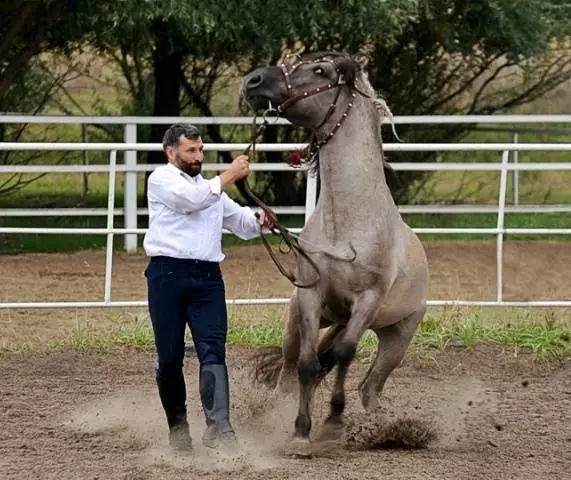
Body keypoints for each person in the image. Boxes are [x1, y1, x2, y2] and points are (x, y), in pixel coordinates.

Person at [142, 123, 273, 452]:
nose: (198, 156)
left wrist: (259, 220)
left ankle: (220, 428)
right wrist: (229, 175)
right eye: (191, 150)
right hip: (166, 276)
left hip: (207, 279)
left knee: (213, 351)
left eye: (200, 150)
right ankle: (178, 429)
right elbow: (192, 201)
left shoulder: (211, 189)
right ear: (170, 152)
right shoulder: (162, 180)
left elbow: (239, 222)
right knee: (170, 358)